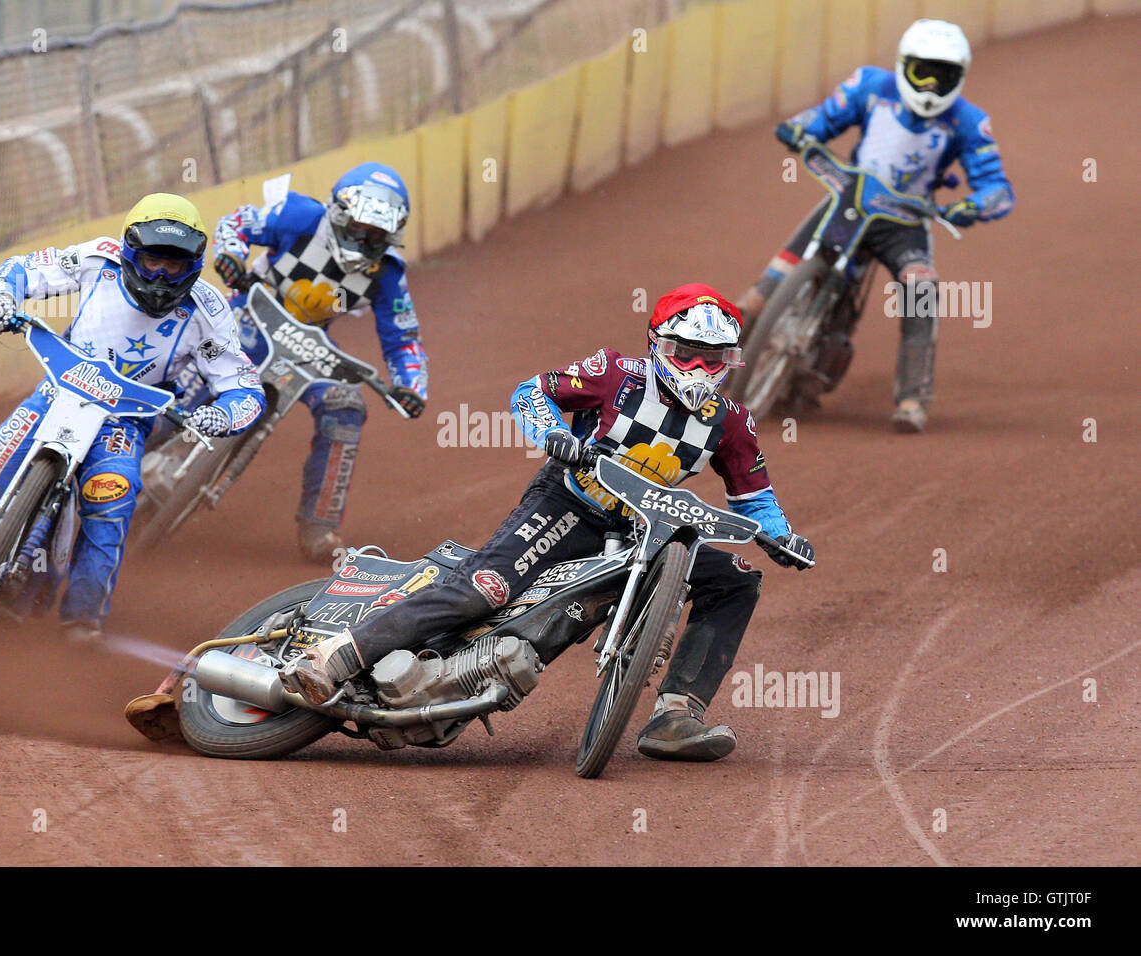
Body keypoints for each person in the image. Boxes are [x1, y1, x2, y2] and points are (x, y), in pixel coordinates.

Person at [280, 283, 813, 761]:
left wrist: (781, 536)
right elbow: (532, 392)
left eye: (713, 358)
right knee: (486, 589)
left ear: (730, 361)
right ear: (658, 344)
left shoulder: (733, 423)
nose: (698, 368)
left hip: (645, 530)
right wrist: (555, 434)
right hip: (568, 503)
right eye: (686, 354)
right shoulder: (614, 374)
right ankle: (334, 656)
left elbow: (754, 496)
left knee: (737, 578)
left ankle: (675, 715)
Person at [0, 194, 266, 643]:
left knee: (110, 505)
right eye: (152, 260)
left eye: (174, 266)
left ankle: (82, 621)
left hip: (123, 422)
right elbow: (22, 270)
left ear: (194, 264)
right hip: (58, 393)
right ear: (131, 250)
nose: (160, 275)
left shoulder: (209, 311)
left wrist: (220, 414)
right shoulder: (97, 258)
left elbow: (243, 386)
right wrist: (2, 298)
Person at [736, 18, 1014, 433]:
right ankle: (699, 368)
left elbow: (997, 187)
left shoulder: (970, 122)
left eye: (944, 78)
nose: (931, 88)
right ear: (903, 65)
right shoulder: (869, 85)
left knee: (921, 291)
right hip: (849, 202)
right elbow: (824, 117)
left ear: (960, 79)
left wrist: (974, 207)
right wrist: (800, 128)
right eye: (922, 74)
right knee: (761, 294)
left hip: (905, 222)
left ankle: (911, 400)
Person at [210, 162, 428, 564]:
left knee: (345, 405)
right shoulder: (298, 215)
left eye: (378, 234)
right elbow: (237, 222)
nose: (366, 240)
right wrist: (231, 256)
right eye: (360, 228)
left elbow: (403, 338)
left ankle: (319, 524)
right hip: (243, 319)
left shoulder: (388, 275)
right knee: (183, 379)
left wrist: (411, 386)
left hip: (307, 346)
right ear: (339, 214)